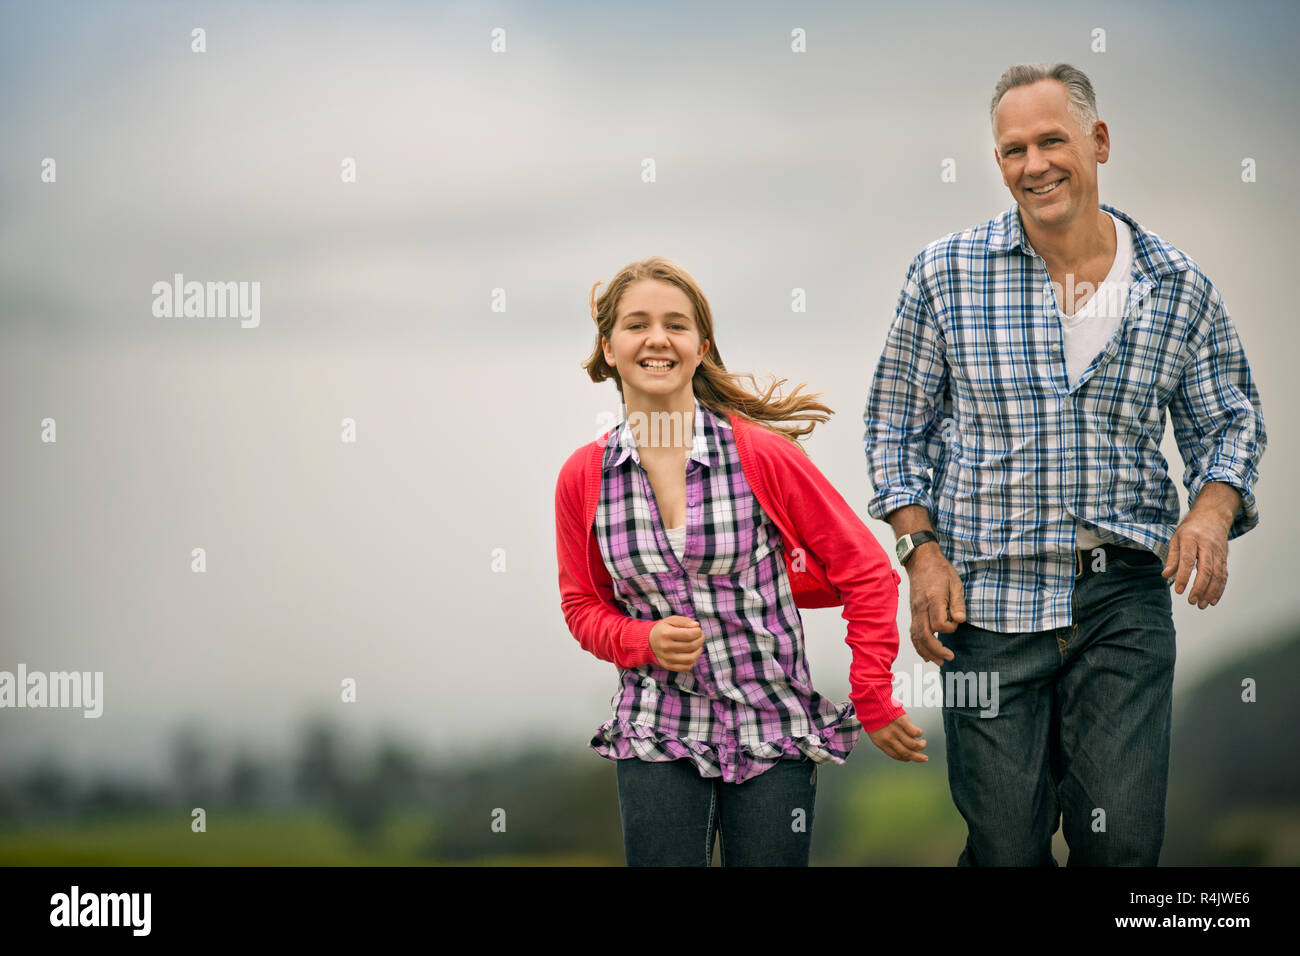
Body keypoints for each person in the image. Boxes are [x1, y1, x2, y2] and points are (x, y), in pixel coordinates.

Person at [863, 63, 1267, 866]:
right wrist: (921, 553)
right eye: (1013, 149)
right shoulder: (945, 275)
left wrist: (1210, 512)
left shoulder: (1175, 285)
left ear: (1099, 142)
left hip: (1123, 600)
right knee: (1006, 848)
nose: (1034, 164)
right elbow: (894, 430)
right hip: (981, 605)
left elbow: (1230, 421)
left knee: (1121, 848)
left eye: (1052, 140)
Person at [555, 256, 923, 867]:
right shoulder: (583, 478)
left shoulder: (762, 457)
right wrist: (640, 637)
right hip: (657, 724)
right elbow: (581, 605)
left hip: (774, 728)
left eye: (675, 324)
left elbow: (867, 572)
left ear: (700, 347)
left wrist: (874, 696)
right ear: (609, 347)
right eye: (636, 324)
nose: (656, 338)